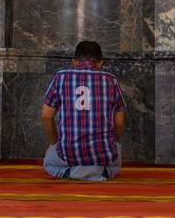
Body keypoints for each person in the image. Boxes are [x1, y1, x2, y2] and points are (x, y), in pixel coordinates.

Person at [41, 40, 125, 181]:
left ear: (74, 62)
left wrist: (55, 144)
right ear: (100, 64)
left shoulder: (61, 77)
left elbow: (46, 116)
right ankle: (98, 172)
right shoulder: (112, 81)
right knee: (115, 163)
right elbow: (120, 124)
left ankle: (72, 173)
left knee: (48, 163)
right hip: (102, 155)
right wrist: (111, 143)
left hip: (68, 154)